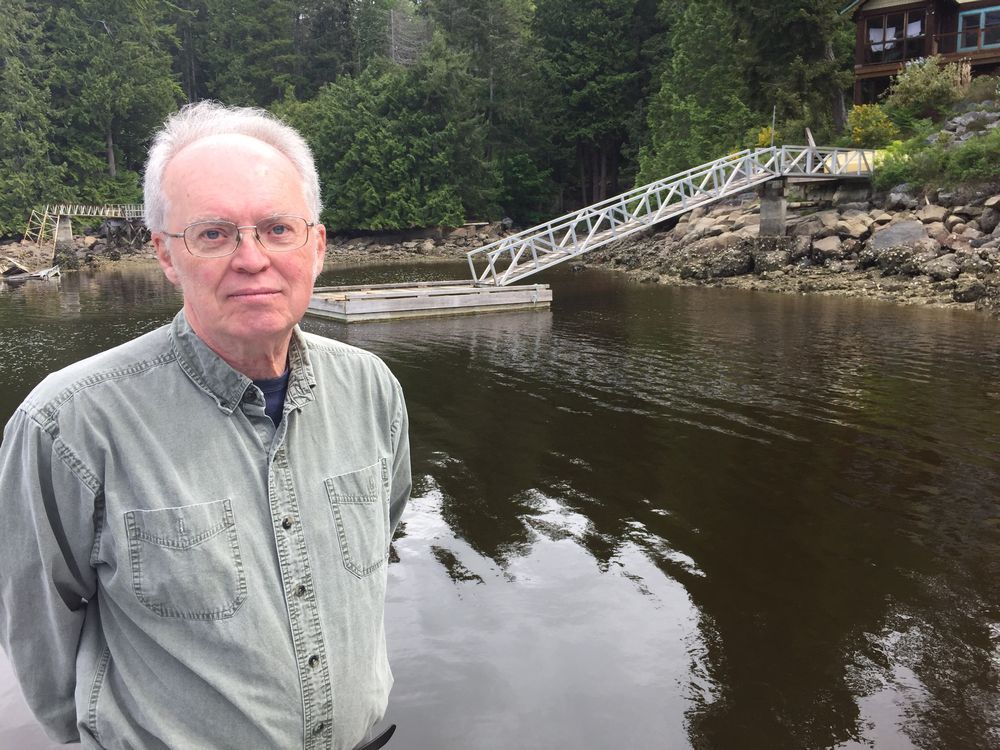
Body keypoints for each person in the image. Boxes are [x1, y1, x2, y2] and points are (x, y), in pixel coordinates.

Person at [0, 102, 410, 750]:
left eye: (277, 228)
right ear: (165, 253)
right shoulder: (67, 426)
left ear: (317, 245)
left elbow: (384, 528)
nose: (252, 258)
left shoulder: (373, 391)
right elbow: (40, 639)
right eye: (214, 234)